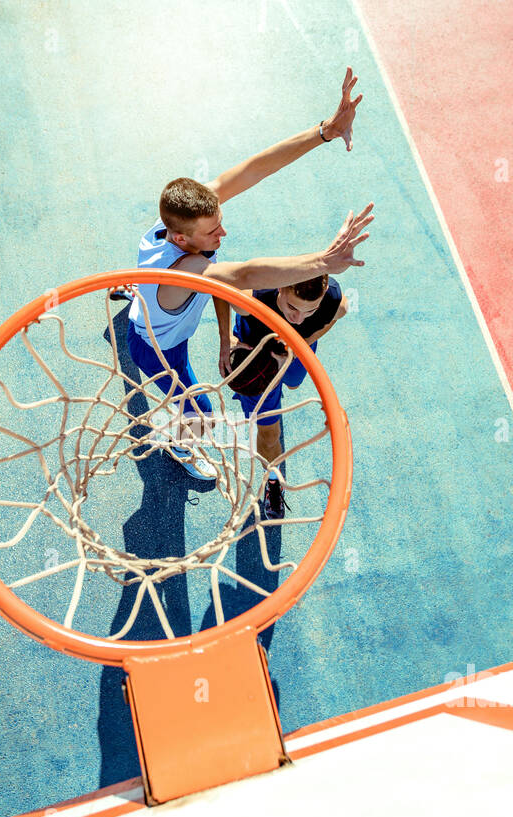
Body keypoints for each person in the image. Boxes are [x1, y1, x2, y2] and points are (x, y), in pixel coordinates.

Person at [127, 68, 371, 481]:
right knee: (200, 414)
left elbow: (255, 168)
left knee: (148, 299)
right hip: (158, 348)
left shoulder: (178, 217)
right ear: (182, 239)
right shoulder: (187, 267)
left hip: (155, 309)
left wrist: (324, 131)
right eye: (212, 231)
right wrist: (322, 262)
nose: (223, 233)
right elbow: (244, 275)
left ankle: (130, 292)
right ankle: (182, 446)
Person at [224, 274, 346, 518]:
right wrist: (225, 337)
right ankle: (273, 482)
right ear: (280, 287)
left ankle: (288, 371)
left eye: (310, 310)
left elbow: (339, 311)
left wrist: (300, 345)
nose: (298, 318)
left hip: (296, 348)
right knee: (269, 434)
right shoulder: (254, 295)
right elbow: (220, 288)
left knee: (292, 384)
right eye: (292, 307)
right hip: (257, 358)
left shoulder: (333, 299)